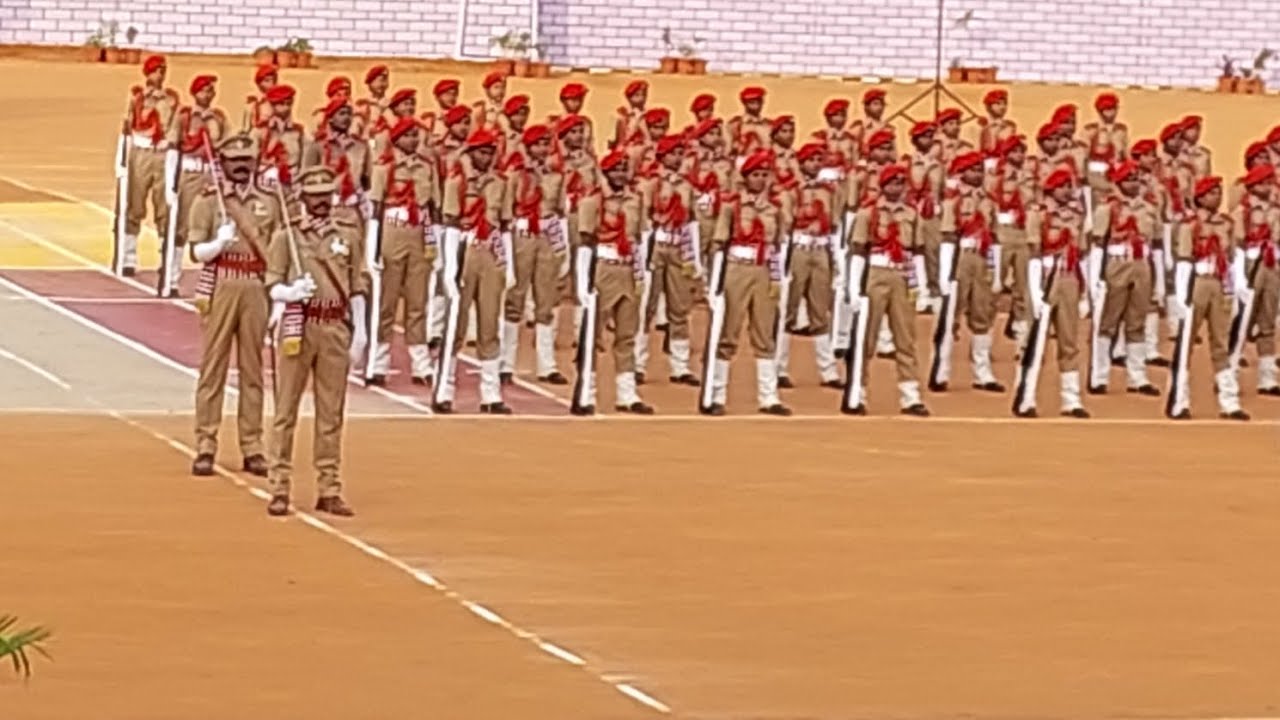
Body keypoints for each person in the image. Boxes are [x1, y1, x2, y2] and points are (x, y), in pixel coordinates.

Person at [264, 166, 369, 517]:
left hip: (334, 325)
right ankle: (279, 485)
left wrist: (361, 332)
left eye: (326, 194)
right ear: (303, 199)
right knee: (285, 410)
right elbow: (272, 283)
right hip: (299, 323)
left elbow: (357, 285)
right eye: (315, 195)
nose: (322, 201)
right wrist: (291, 292)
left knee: (331, 412)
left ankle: (329, 487)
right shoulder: (287, 237)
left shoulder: (348, 235)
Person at [187, 133, 282, 477]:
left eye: (247, 160)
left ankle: (252, 446)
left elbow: (277, 250)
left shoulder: (270, 202)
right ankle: (206, 443)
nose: (242, 167)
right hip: (222, 284)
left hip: (256, 285)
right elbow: (195, 252)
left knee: (252, 370)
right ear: (223, 163)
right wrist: (218, 243)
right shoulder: (209, 201)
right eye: (235, 161)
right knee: (213, 368)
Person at [705, 149, 792, 416]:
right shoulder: (732, 206)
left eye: (765, 175)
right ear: (745, 177)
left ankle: (769, 397)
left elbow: (778, 244)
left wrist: (778, 278)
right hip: (736, 268)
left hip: (763, 268)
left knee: (764, 333)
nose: (760, 179)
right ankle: (716, 394)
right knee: (728, 332)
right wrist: (714, 284)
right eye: (755, 174)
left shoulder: (775, 209)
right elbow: (719, 244)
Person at [437, 128, 513, 414]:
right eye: (481, 152)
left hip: (490, 251)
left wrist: (508, 264)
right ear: (470, 153)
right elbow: (452, 224)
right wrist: (450, 267)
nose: (486, 157)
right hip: (464, 248)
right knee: (456, 323)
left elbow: (504, 224)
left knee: (490, 323)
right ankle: (444, 390)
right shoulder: (457, 182)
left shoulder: (501, 183)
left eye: (490, 152)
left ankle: (491, 394)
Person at [845, 163, 930, 416]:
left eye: (901, 183)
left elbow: (917, 252)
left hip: (902, 274)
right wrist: (853, 287)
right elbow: (858, 251)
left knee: (905, 338)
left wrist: (921, 286)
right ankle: (856, 394)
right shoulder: (868, 214)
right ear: (883, 186)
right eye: (893, 183)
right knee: (866, 338)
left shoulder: (912, 215)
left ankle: (910, 396)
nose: (897, 188)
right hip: (876, 272)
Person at [575, 149, 655, 414]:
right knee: (593, 335)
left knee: (626, 334)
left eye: (624, 169)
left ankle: (627, 394)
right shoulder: (594, 202)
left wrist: (642, 273)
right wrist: (583, 283)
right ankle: (586, 391)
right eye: (615, 170)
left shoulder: (636, 200)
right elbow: (585, 242)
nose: (621, 174)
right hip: (603, 267)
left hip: (627, 269)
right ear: (606, 173)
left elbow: (640, 238)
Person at [1168, 176, 1248, 420]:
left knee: (1220, 344)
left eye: (1218, 192)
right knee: (1186, 344)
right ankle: (1179, 401)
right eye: (1212, 193)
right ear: (1200, 198)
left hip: (1219, 282)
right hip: (1198, 282)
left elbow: (1233, 259)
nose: (1217, 197)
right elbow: (1183, 262)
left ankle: (1229, 401)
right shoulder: (1190, 226)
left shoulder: (1226, 224)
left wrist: (1235, 288)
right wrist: (1181, 297)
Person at [366, 117, 438, 385]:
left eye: (415, 135)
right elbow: (375, 208)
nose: (413, 140)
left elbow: (433, 208)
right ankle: (378, 363)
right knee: (386, 303)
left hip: (418, 236)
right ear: (396, 139)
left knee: (417, 302)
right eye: (407, 136)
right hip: (391, 234)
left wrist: (435, 242)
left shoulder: (426, 167)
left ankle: (420, 364)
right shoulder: (384, 168)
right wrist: (372, 248)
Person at [1020, 169, 1091, 418]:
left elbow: (1080, 254)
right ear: (1051, 190)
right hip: (1045, 277)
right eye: (1061, 186)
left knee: (1069, 341)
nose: (1067, 190)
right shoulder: (1038, 214)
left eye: (1068, 186)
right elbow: (1034, 254)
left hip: (1068, 277)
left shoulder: (1076, 215)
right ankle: (1026, 396)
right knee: (1035, 341)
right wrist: (1036, 291)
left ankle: (1071, 400)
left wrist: (1084, 294)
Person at [501, 124, 569, 385]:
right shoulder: (516, 175)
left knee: (546, 301)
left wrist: (562, 250)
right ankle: (506, 362)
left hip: (546, 237)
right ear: (527, 147)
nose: (542, 149)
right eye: (537, 144)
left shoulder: (555, 176)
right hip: (522, 236)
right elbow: (507, 213)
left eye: (545, 144)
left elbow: (560, 212)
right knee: (514, 299)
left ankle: (547, 365)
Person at [1087, 160, 1160, 395]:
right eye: (1129, 179)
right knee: (1108, 322)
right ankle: (1099, 376)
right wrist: (1095, 279)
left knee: (1136, 322)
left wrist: (1157, 279)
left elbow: (1155, 244)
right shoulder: (1107, 207)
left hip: (1141, 265)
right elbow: (1098, 244)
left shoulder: (1148, 208)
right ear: (1118, 182)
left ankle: (1137, 377)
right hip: (1116, 264)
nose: (1134, 183)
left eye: (1136, 179)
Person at [937, 150, 1004, 392]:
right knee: (949, 317)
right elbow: (947, 237)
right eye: (971, 170)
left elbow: (995, 237)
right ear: (962, 173)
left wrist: (997, 273)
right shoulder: (952, 201)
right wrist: (945, 274)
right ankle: (941, 371)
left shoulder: (989, 201)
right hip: (960, 258)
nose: (976, 174)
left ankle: (982, 373)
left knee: (982, 316)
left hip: (982, 258)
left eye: (979, 170)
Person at [777, 142, 843, 389]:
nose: (815, 164)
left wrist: (835, 259)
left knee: (820, 311)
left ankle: (828, 372)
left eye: (819, 160)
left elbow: (834, 225)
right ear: (801, 164)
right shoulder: (791, 192)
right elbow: (785, 226)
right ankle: (779, 368)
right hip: (799, 249)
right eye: (811, 160)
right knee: (788, 310)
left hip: (821, 249)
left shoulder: (829, 191)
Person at [642, 134, 702, 386]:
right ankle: (637, 363)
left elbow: (692, 223)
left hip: (678, 246)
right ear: (662, 157)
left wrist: (694, 257)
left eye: (680, 153)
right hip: (655, 245)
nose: (677, 158)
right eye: (672, 153)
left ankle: (680, 366)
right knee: (647, 306)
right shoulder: (651, 184)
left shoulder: (687, 187)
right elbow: (644, 218)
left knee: (679, 308)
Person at [166, 74, 228, 296]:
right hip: (190, 174)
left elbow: (225, 149)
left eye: (211, 91)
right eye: (203, 91)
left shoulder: (219, 118)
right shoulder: (184, 117)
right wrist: (170, 184)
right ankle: (171, 278)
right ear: (195, 93)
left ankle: (208, 282)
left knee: (213, 229)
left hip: (211, 176)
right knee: (182, 228)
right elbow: (174, 148)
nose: (208, 95)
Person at [118, 54, 179, 277]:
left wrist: (170, 146)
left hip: (162, 152)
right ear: (147, 73)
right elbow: (128, 124)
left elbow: (174, 125)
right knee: (135, 203)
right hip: (141, 151)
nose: (160, 75)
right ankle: (128, 257)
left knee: (163, 207)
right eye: (155, 71)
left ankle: (165, 256)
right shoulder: (137, 97)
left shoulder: (171, 99)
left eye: (162, 71)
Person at [1231, 163, 1280, 395]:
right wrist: (1239, 278)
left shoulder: (1276, 209)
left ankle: (1267, 378)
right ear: (1253, 186)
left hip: (1272, 266)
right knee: (1243, 323)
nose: (1269, 186)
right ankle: (1229, 374)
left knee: (1268, 323)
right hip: (1251, 264)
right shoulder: (1243, 212)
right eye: (1264, 182)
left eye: (1269, 181)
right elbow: (1238, 246)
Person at [986, 134, 1036, 347]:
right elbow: (988, 203)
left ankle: (1021, 336)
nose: (1018, 155)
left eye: (1021, 151)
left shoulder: (1029, 176)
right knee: (993, 287)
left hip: (1022, 234)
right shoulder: (994, 176)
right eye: (1014, 151)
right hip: (1001, 235)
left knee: (1023, 287)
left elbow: (1034, 202)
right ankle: (984, 335)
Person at [905, 121, 944, 312]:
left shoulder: (939, 166)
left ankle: (934, 291)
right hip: (913, 211)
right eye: (923, 137)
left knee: (932, 253)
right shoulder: (909, 163)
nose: (927, 140)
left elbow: (943, 192)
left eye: (930, 136)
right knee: (914, 252)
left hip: (931, 215)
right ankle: (919, 291)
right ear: (915, 140)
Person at [253, 84, 304, 192]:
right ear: (272, 105)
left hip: (291, 183)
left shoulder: (299, 132)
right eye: (281, 104)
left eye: (289, 103)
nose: (286, 107)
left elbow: (304, 162)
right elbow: (252, 160)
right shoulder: (260, 131)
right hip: (265, 182)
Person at [1082, 93, 1128, 207]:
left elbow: (1125, 155)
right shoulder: (1090, 130)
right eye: (1106, 109)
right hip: (1096, 176)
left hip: (1116, 175)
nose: (1110, 112)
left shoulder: (1121, 130)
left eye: (1113, 108)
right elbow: (1084, 157)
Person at [548, 83, 594, 153]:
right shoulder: (553, 122)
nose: (578, 104)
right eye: (573, 100)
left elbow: (589, 147)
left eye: (580, 100)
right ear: (563, 101)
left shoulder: (586, 122)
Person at [727, 86, 770, 160]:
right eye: (752, 102)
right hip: (742, 162)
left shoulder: (769, 125)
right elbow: (728, 149)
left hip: (764, 163)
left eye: (759, 101)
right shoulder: (736, 124)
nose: (756, 105)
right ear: (744, 103)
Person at [352, 65, 391, 140]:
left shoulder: (391, 104)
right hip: (366, 140)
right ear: (370, 84)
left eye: (384, 80)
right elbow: (356, 127)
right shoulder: (363, 103)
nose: (381, 84)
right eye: (378, 81)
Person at [978, 89, 1017, 159]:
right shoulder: (981, 127)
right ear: (989, 106)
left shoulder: (1010, 127)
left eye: (1005, 103)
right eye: (998, 103)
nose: (1003, 107)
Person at [613, 80, 648, 149]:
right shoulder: (624, 115)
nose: (642, 98)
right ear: (629, 98)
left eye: (644, 94)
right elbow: (621, 139)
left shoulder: (647, 114)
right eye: (637, 95)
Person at [246, 63, 278, 128]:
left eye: (273, 80)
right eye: (267, 81)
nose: (271, 84)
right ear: (259, 83)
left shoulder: (278, 100)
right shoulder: (253, 100)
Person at [1180, 115, 1212, 180]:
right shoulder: (1175, 152)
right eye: (1191, 128)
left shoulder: (1204, 154)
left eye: (1198, 129)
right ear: (1183, 130)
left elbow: (1207, 178)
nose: (1195, 132)